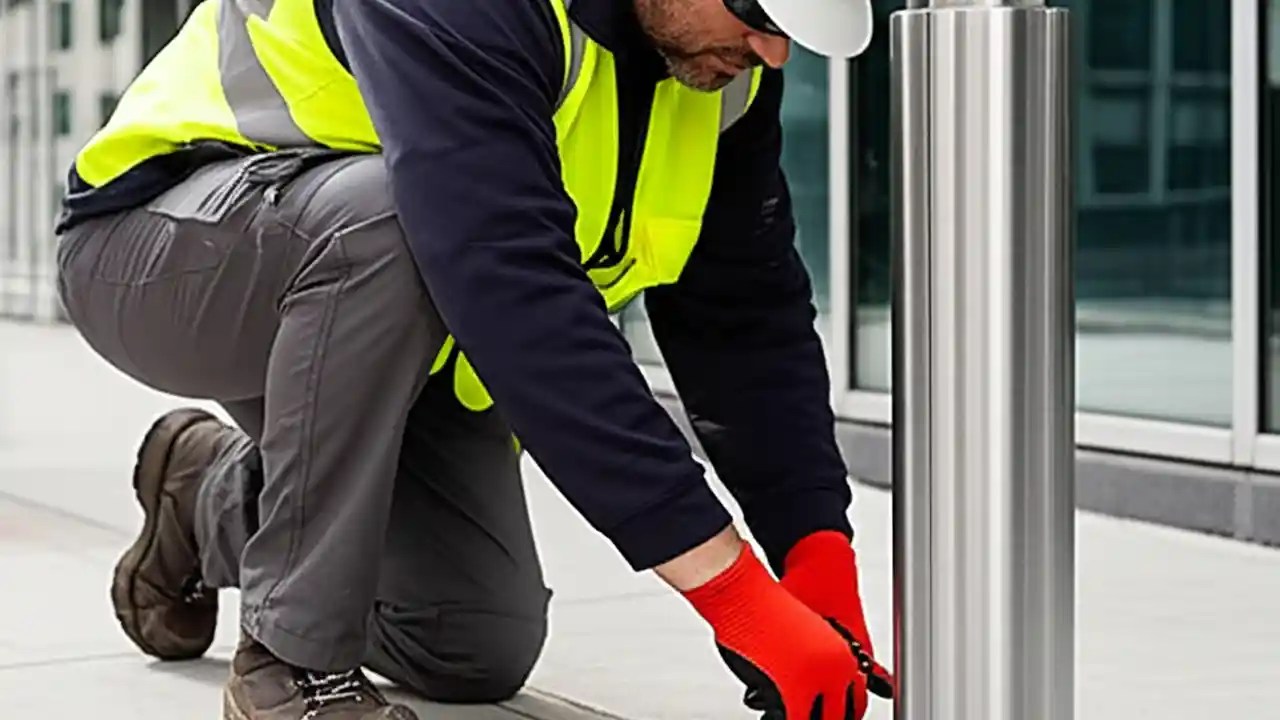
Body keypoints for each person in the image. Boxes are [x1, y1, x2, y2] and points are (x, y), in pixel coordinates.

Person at [52, 0, 893, 718]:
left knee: (469, 637)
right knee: (386, 218)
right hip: (164, 251)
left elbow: (743, 320)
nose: (773, 50)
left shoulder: (720, 70)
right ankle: (291, 668)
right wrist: (734, 595)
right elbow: (511, 285)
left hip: (383, 316)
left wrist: (814, 551)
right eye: (757, 13)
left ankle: (208, 498)